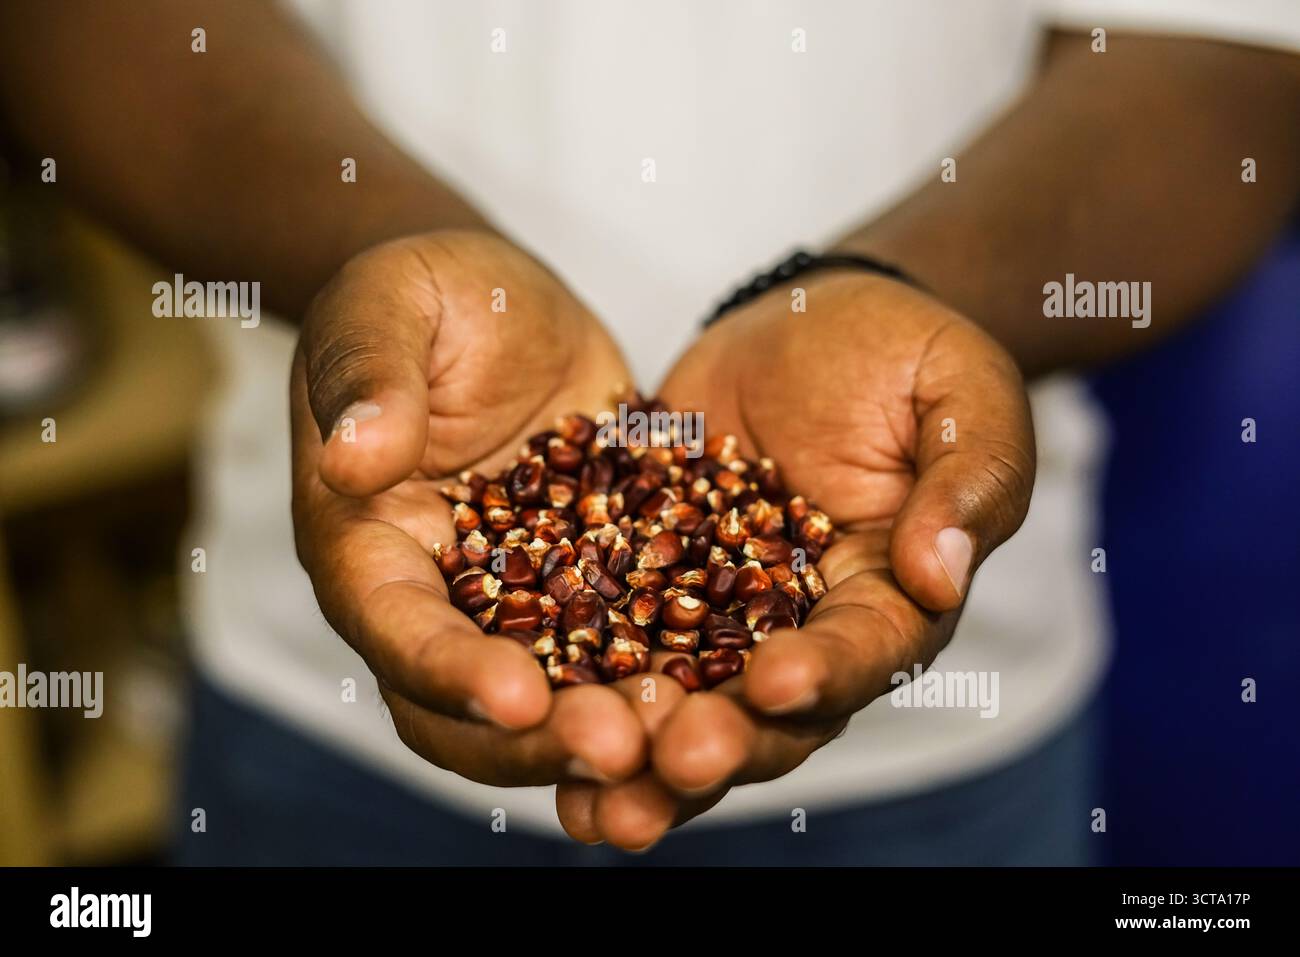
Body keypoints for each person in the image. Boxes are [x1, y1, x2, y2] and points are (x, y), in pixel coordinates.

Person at [3, 0, 1296, 864]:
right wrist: (376, 255)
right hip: (314, 686)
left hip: (952, 723)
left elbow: (1226, 53)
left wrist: (911, 297)